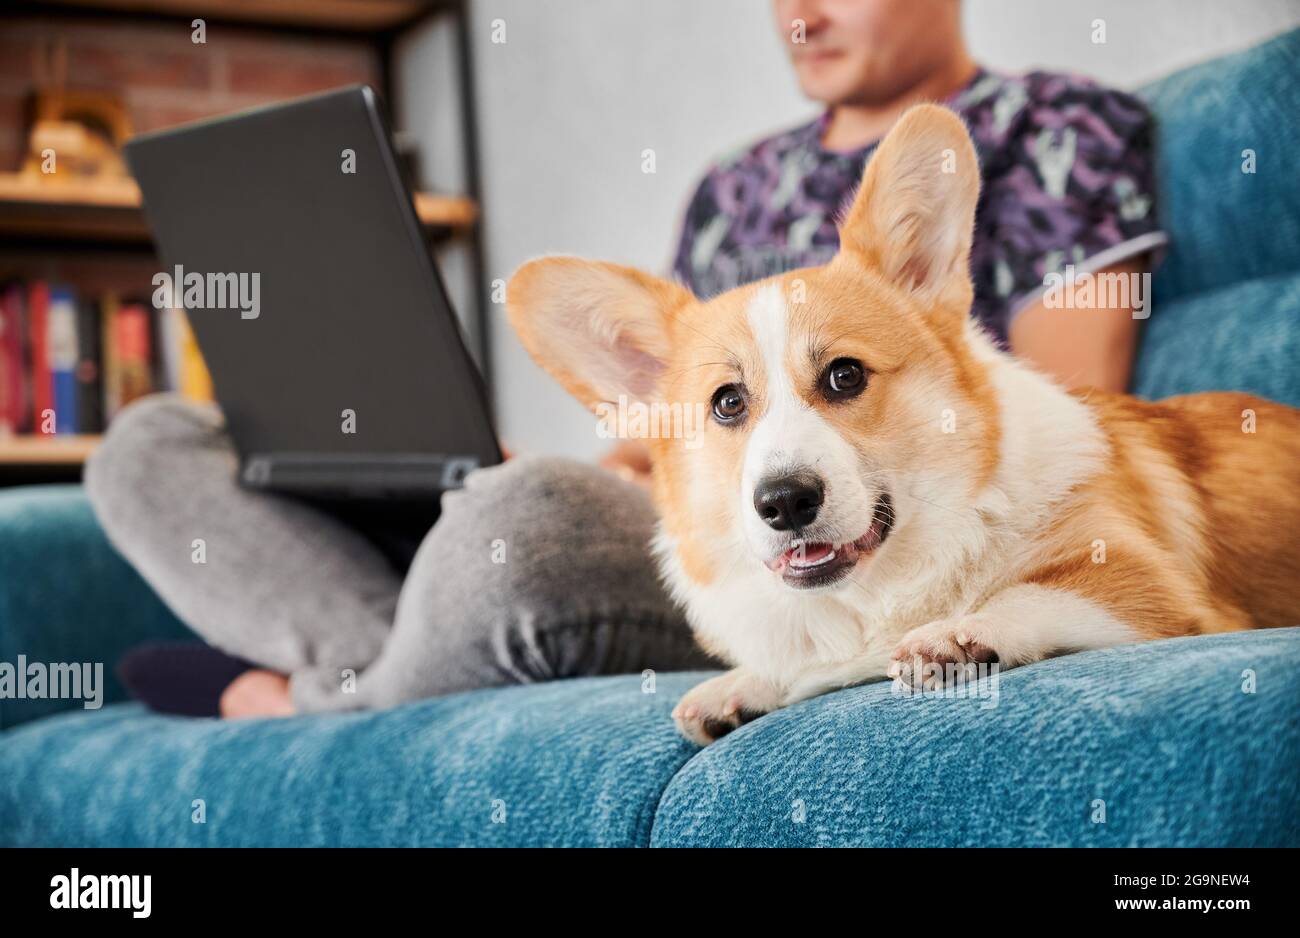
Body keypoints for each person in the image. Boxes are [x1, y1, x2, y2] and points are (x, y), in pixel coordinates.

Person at [89, 0, 1162, 719]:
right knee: (148, 446)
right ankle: (359, 663)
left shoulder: (1057, 127)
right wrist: (528, 472)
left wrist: (529, 508)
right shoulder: (732, 182)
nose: (803, 12)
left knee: (516, 530)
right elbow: (666, 429)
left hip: (881, 535)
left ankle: (300, 696)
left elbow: (1071, 412)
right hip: (688, 514)